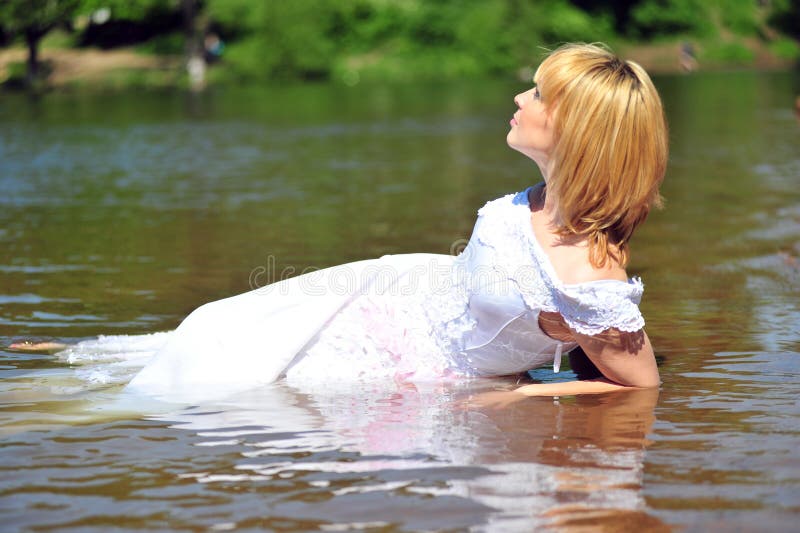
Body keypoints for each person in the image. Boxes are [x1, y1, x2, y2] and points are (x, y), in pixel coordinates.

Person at [10, 43, 668, 402]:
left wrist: (527, 394)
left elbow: (638, 387)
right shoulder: (538, 199)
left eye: (539, 93)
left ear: (577, 129)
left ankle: (53, 403)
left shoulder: (590, 277)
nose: (520, 97)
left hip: (417, 363)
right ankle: (81, 355)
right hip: (397, 294)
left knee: (223, 384)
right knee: (215, 328)